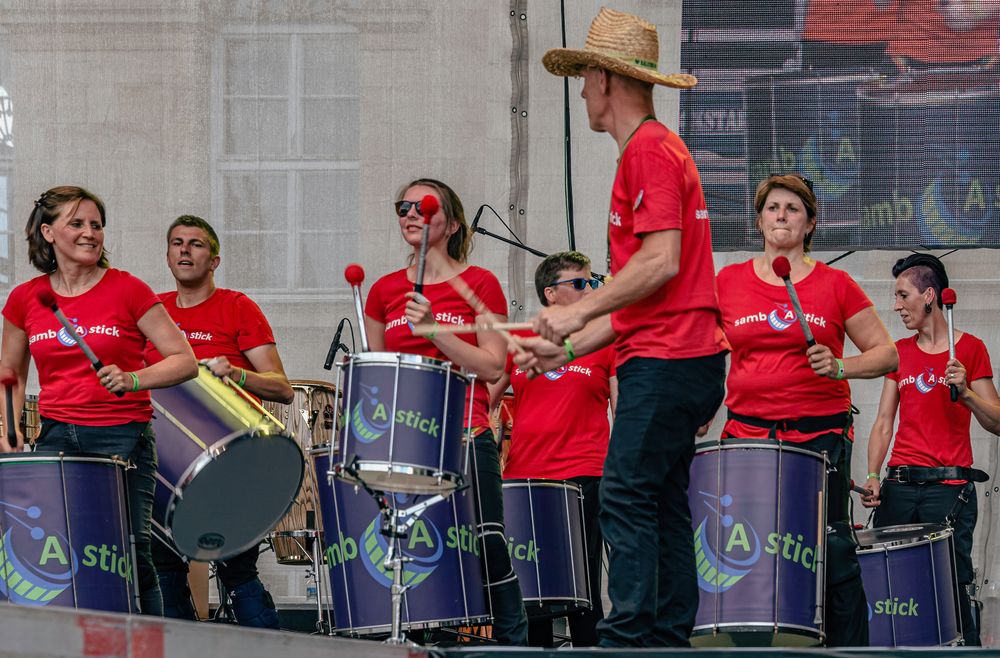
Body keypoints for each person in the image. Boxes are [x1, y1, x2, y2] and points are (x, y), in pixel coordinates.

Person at [515, 8, 729, 648]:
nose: (581, 91)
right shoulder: (652, 152)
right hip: (673, 357)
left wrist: (576, 311)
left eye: (584, 77)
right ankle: (663, 636)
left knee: (624, 493)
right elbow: (641, 302)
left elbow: (660, 263)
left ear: (606, 80)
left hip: (670, 362)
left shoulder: (651, 153)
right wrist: (566, 347)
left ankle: (630, 636)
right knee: (659, 500)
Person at [716, 173, 898, 646]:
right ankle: (752, 648)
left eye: (792, 209)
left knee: (831, 551)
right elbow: (699, 346)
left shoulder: (836, 284)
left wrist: (840, 366)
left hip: (819, 439)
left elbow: (886, 354)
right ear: (759, 220)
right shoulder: (727, 282)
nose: (781, 215)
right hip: (748, 438)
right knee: (747, 553)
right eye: (773, 207)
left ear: (810, 222)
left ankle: (846, 651)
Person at [0, 186, 198, 615]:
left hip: (122, 439)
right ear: (49, 233)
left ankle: (146, 643)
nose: (91, 233)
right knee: (58, 548)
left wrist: (133, 378)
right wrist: (10, 433)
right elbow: (11, 376)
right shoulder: (25, 298)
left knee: (128, 553)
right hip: (56, 438)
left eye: (96, 225)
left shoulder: (127, 289)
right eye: (77, 224)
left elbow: (186, 361)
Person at [364, 177, 528, 645]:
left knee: (487, 542)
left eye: (423, 206)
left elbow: (493, 362)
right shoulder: (382, 291)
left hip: (464, 431)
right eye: (403, 207)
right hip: (406, 439)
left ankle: (514, 649)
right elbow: (380, 374)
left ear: (453, 223)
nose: (410, 214)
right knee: (415, 547)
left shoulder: (480, 283)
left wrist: (436, 331)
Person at [146, 215, 294, 628]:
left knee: (236, 568)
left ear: (214, 260)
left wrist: (235, 373)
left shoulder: (237, 307)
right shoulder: (152, 312)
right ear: (167, 255)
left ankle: (266, 651)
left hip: (230, 466)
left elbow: (282, 388)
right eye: (176, 243)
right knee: (164, 570)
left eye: (195, 244)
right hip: (164, 466)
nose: (184, 251)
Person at [863, 253, 1000, 646]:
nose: (896, 305)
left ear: (929, 295)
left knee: (952, 586)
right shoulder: (898, 351)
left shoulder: (969, 349)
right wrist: (873, 474)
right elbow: (884, 421)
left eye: (903, 295)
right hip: (900, 485)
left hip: (949, 490)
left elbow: (997, 420)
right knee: (891, 584)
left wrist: (968, 393)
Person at [490, 251, 617, 647]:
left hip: (585, 474)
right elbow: (487, 401)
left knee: (583, 587)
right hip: (525, 478)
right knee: (531, 592)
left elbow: (624, 409)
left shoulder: (603, 340)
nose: (590, 289)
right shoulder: (521, 340)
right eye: (579, 283)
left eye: (592, 282)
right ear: (550, 293)